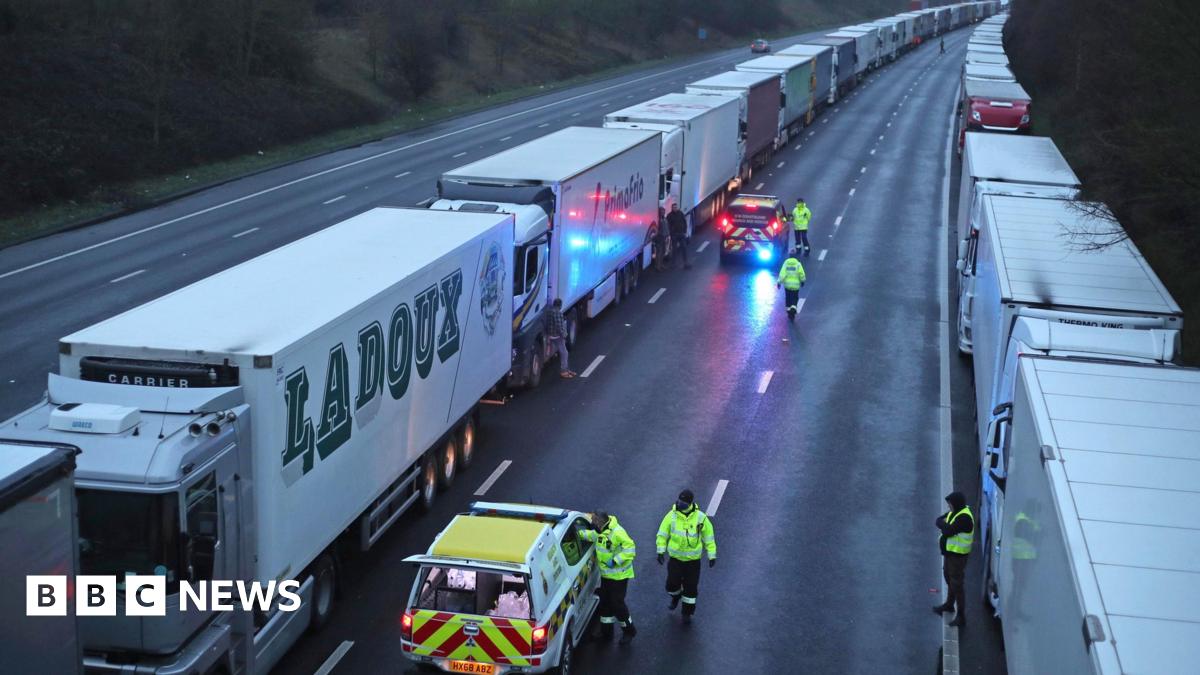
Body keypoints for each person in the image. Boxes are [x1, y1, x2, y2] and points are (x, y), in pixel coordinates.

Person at [656, 489, 716, 625]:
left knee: (691, 588)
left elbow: (709, 538)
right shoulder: (671, 516)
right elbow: (662, 534)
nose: (679, 503)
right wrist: (660, 551)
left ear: (689, 503)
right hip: (675, 559)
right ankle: (675, 596)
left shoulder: (701, 518)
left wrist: (712, 556)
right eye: (679, 500)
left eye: (683, 501)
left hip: (693, 562)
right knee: (671, 584)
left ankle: (687, 612)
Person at [579, 511, 638, 644]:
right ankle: (606, 632)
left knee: (617, 605)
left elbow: (630, 548)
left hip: (619, 576)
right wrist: (578, 534)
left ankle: (629, 631)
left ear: (600, 522)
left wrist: (616, 560)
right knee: (605, 602)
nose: (592, 524)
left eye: (594, 521)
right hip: (607, 576)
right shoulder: (601, 532)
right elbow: (591, 535)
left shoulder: (617, 532)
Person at [933, 490, 974, 627]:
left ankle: (961, 616)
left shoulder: (964, 518)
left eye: (950, 504)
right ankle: (949, 604)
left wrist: (944, 525)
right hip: (950, 554)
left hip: (958, 556)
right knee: (949, 578)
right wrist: (944, 525)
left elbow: (948, 530)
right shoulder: (955, 513)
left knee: (957, 584)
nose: (949, 506)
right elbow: (938, 520)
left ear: (956, 504)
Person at [546, 298, 575, 378]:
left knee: (560, 352)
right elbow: (559, 326)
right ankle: (564, 371)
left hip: (551, 334)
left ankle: (566, 369)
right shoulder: (557, 313)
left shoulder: (550, 311)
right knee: (565, 353)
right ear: (560, 305)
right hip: (557, 336)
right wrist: (564, 335)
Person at [775, 249, 807, 321]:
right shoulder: (798, 264)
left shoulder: (786, 263)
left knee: (788, 298)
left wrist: (779, 282)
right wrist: (802, 281)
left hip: (787, 285)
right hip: (795, 286)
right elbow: (801, 274)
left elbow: (782, 274)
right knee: (795, 297)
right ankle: (793, 307)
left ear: (789, 256)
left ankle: (789, 311)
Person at [666, 203, 691, 269]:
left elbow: (684, 222)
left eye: (676, 207)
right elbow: (668, 225)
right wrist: (671, 233)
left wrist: (685, 231)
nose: (675, 208)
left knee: (684, 248)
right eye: (674, 207)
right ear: (672, 208)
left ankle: (686, 263)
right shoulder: (669, 216)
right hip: (674, 235)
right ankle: (673, 264)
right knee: (674, 250)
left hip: (681, 234)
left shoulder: (680, 213)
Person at [654, 207, 669, 271]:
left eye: (663, 211)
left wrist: (667, 234)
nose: (663, 212)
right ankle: (658, 266)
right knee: (659, 253)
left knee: (663, 251)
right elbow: (656, 230)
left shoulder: (664, 218)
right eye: (662, 211)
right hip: (659, 238)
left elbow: (666, 227)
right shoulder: (658, 220)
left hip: (664, 237)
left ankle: (661, 264)